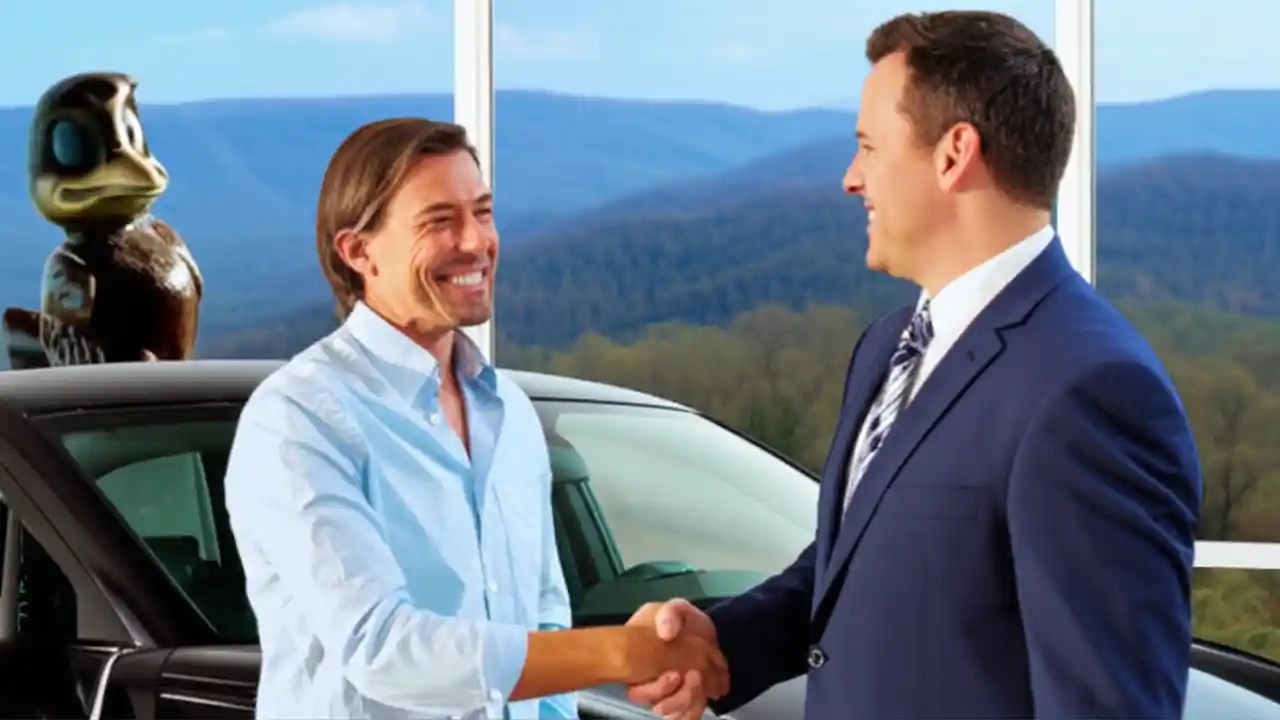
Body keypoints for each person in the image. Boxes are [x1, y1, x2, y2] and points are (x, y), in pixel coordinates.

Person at [626, 10, 1203, 720]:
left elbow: (1108, 706)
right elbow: (854, 570)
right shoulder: (887, 346)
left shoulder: (1090, 389)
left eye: (869, 146)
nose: (850, 178)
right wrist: (722, 644)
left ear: (953, 153)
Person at [222, 117, 728, 720]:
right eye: (439, 221)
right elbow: (380, 646)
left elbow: (544, 614)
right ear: (358, 251)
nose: (475, 241)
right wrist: (621, 650)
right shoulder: (301, 418)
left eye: (482, 213)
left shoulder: (509, 412)